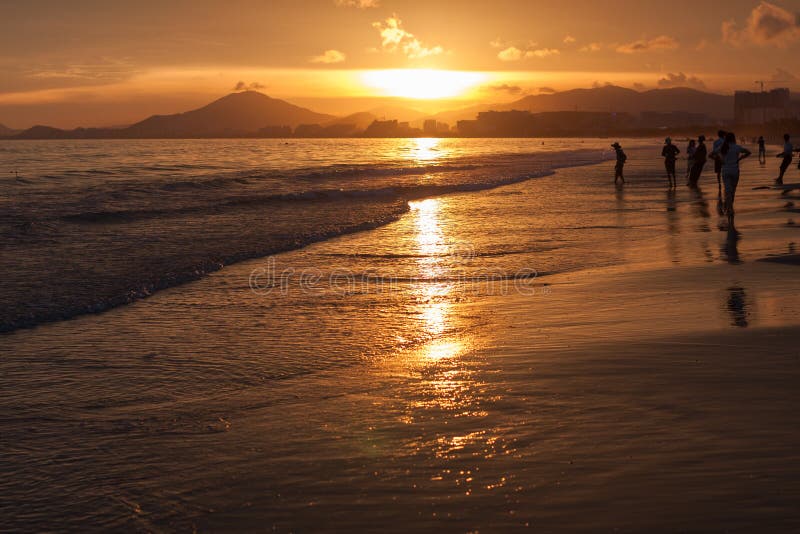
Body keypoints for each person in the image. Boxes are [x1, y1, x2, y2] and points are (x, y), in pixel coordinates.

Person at [718, 132, 751, 229]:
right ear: (734, 139)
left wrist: (721, 159)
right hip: (735, 171)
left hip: (725, 171)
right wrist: (740, 158)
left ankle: (730, 208)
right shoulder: (737, 147)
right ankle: (730, 207)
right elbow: (748, 152)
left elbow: (712, 154)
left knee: (728, 190)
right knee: (733, 191)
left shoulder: (722, 147)